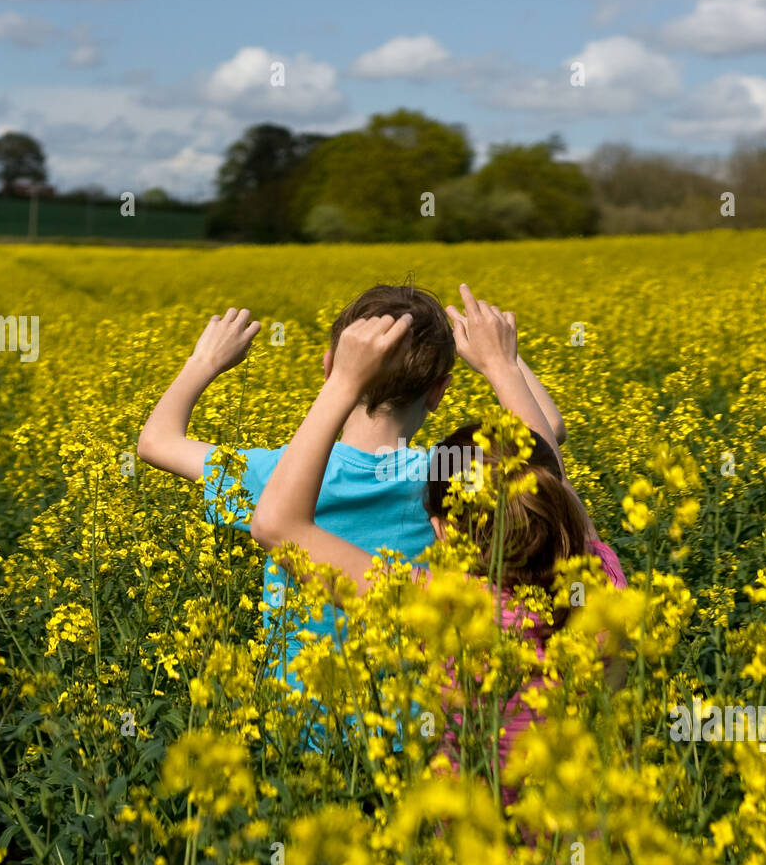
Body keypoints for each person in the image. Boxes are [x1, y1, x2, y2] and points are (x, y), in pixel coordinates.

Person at [249, 291, 627, 793]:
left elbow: (278, 525)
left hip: (480, 860)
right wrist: (502, 366)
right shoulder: (600, 578)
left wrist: (343, 381)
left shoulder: (446, 608)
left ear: (445, 532)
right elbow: (551, 475)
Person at [136, 283, 567, 690]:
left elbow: (157, 442)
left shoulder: (277, 477)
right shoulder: (449, 476)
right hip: (419, 729)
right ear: (438, 392)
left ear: (329, 369)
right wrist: (503, 364)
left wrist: (204, 362)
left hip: (298, 731)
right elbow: (546, 440)